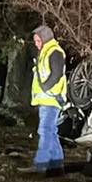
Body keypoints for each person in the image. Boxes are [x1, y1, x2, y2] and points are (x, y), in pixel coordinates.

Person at [30, 23, 67, 173]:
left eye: (38, 41)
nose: (36, 44)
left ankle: (42, 162)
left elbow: (56, 75)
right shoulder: (46, 52)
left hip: (51, 99)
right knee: (50, 131)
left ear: (45, 39)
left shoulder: (54, 52)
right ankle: (56, 166)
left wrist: (45, 87)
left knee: (45, 130)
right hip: (46, 99)